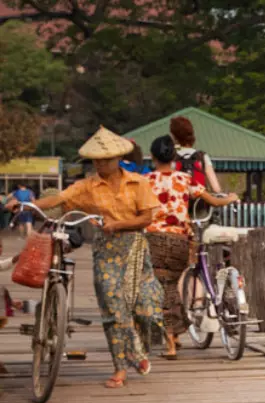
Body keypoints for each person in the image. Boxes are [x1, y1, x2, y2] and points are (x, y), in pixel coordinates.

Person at [7, 127, 162, 388]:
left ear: (118, 158)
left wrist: (120, 224)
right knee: (113, 308)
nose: (101, 163)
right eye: (96, 159)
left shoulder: (138, 182)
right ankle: (120, 368)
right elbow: (59, 198)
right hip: (105, 251)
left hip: (135, 246)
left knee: (146, 305)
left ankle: (138, 347)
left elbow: (147, 217)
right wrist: (25, 205)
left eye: (106, 159)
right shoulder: (87, 186)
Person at [144, 135, 238, 359]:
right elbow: (213, 201)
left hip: (155, 238)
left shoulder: (145, 180)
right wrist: (231, 197)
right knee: (173, 286)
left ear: (154, 157)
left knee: (165, 290)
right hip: (181, 240)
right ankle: (176, 333)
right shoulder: (184, 180)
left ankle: (171, 344)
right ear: (173, 157)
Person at [169, 116, 222, 192]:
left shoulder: (171, 157)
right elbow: (216, 188)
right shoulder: (202, 156)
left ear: (174, 136)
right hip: (199, 201)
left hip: (179, 201)